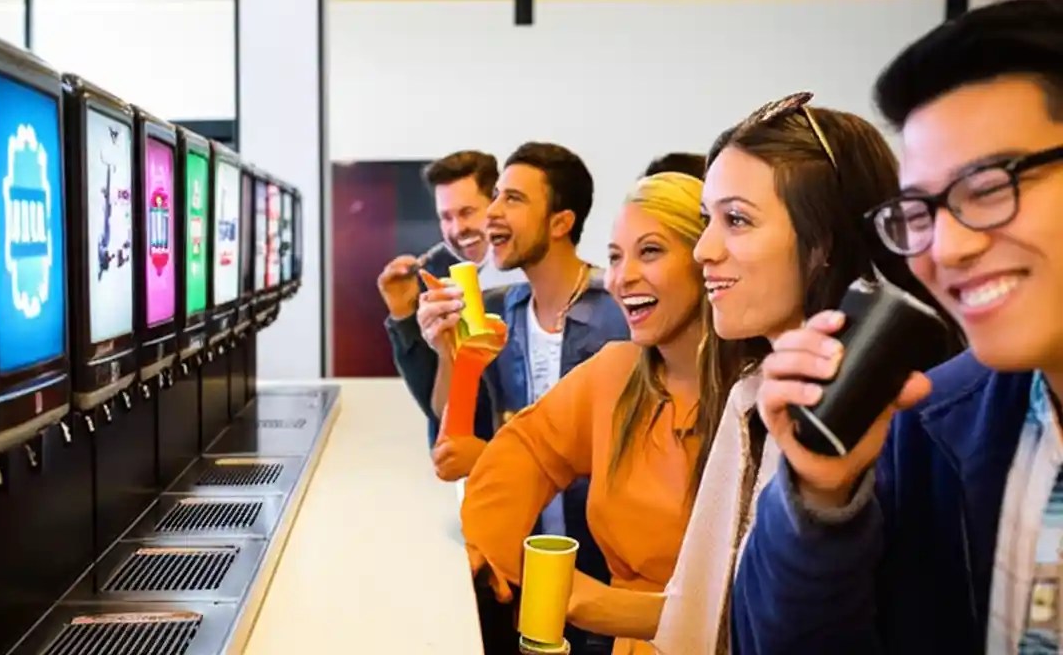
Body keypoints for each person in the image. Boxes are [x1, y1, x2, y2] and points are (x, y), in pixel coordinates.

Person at [730, 0, 1063, 654]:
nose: (947, 248)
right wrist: (821, 496)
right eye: (919, 212)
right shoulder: (927, 426)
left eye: (988, 187)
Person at [634, 92, 961, 654]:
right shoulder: (749, 392)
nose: (703, 250)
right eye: (707, 220)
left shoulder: (900, 423)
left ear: (823, 241)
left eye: (737, 220)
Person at [460, 172, 756, 655]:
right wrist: (494, 553)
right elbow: (527, 450)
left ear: (706, 259)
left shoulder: (762, 400)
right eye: (615, 257)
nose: (622, 278)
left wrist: (600, 603)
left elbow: (765, 605)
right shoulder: (615, 373)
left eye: (650, 251)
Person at [396, 141, 629, 653]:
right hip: (522, 567)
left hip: (605, 579)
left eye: (513, 199)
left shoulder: (621, 314)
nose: (492, 214)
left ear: (561, 222)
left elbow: (632, 461)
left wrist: (494, 462)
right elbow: (449, 422)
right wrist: (446, 351)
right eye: (496, 195)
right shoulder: (501, 308)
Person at [377, 149, 523, 441]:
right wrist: (403, 316)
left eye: (467, 212)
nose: (458, 229)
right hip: (461, 456)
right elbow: (435, 407)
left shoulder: (526, 272)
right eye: (446, 217)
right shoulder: (432, 276)